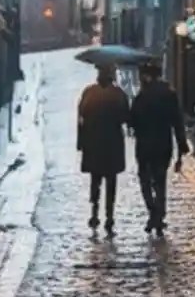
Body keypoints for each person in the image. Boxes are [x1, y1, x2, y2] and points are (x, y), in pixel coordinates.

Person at [129, 61, 189, 236]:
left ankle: (153, 212)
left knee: (145, 181)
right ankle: (159, 214)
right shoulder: (169, 93)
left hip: (145, 147)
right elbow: (177, 121)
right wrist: (182, 145)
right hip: (164, 145)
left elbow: (132, 122)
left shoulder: (141, 96)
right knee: (160, 181)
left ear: (146, 76)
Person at [78, 64, 130, 236]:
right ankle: (109, 216)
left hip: (93, 144)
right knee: (111, 182)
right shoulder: (118, 94)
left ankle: (94, 212)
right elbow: (125, 117)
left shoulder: (88, 92)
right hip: (112, 145)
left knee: (95, 180)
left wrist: (81, 142)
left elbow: (81, 118)